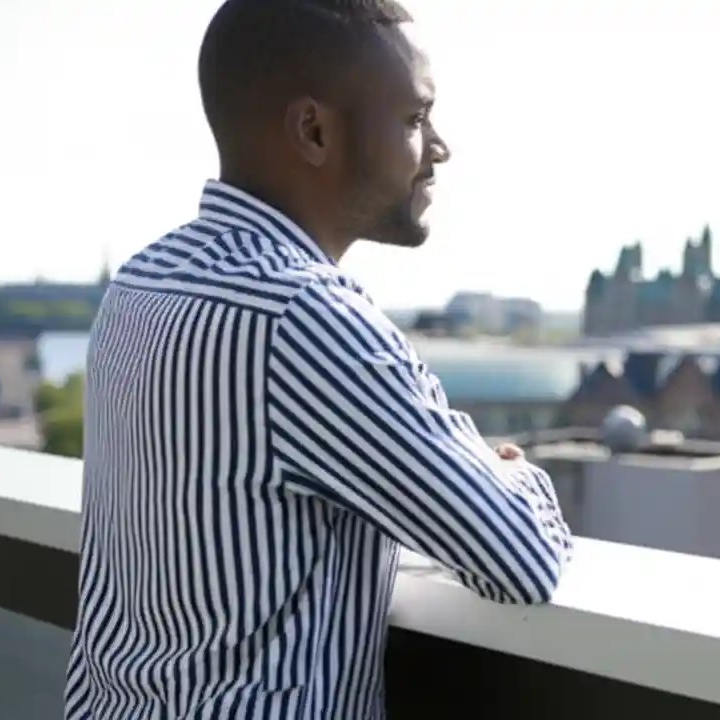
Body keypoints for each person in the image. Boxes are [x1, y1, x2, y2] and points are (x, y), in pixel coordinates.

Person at [63, 0, 573, 717]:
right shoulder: (307, 319)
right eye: (414, 118)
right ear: (314, 131)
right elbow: (520, 557)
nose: (438, 148)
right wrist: (512, 475)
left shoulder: (142, 284)